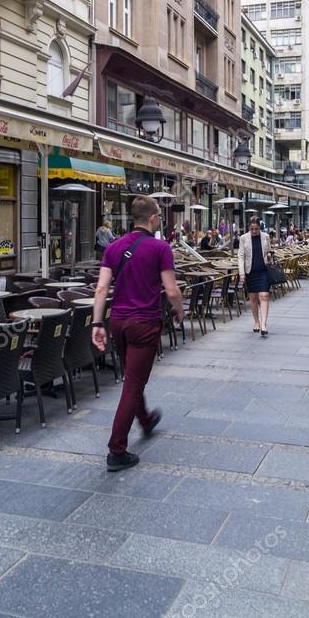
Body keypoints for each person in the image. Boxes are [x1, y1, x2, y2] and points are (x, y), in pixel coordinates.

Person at [92, 196, 184, 471]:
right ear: (153, 219)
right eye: (159, 217)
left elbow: (100, 289)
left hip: (118, 322)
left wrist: (97, 324)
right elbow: (171, 290)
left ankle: (145, 419)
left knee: (132, 376)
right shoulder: (160, 247)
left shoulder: (113, 247)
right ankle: (116, 450)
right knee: (133, 384)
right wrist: (179, 311)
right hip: (144, 323)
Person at [238, 218, 272, 337]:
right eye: (252, 229)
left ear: (259, 228)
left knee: (264, 296)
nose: (254, 231)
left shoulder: (266, 237)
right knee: (253, 298)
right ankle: (256, 321)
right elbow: (241, 256)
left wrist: (269, 254)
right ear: (249, 228)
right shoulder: (243, 238)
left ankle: (264, 324)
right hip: (250, 272)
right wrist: (241, 273)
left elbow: (269, 250)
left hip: (263, 270)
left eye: (256, 229)